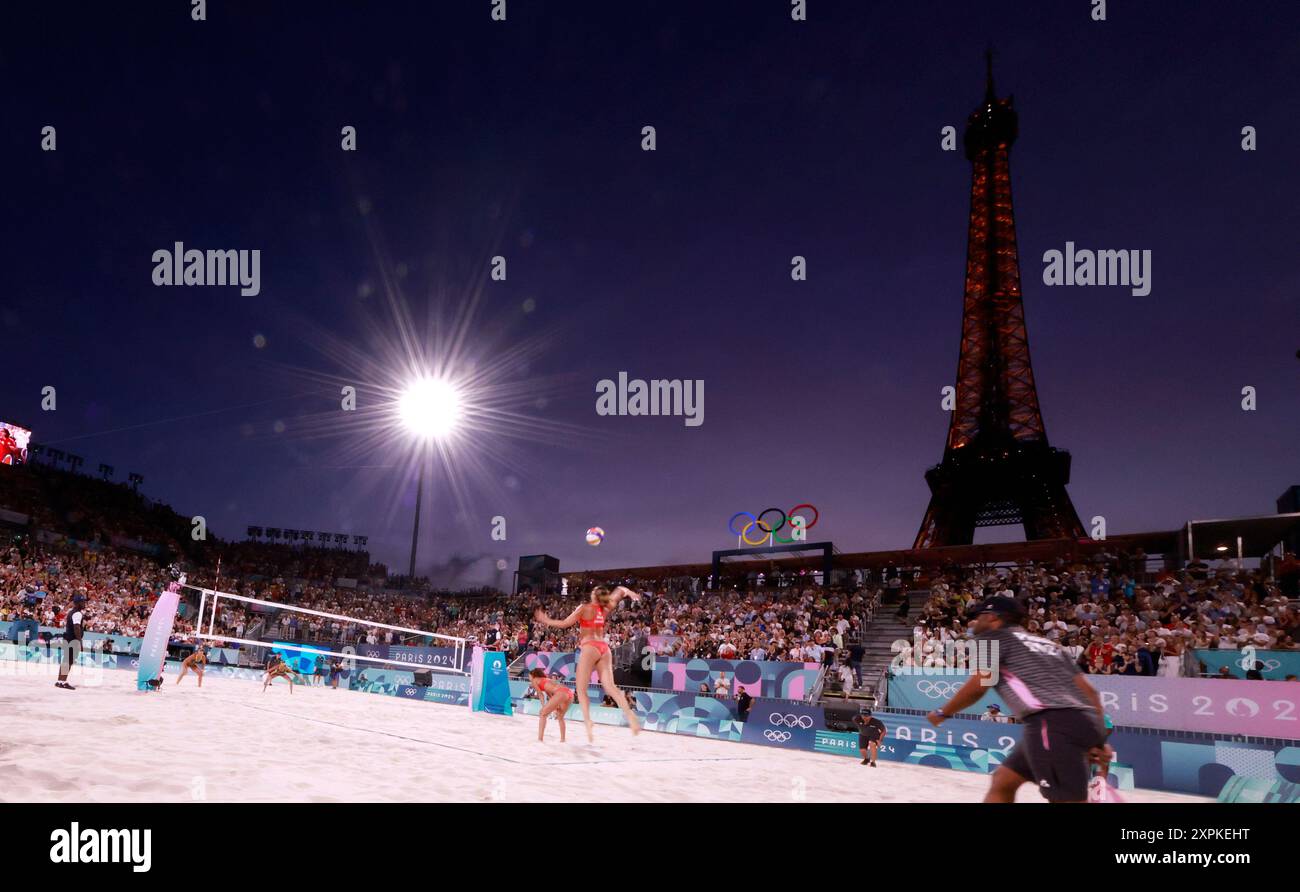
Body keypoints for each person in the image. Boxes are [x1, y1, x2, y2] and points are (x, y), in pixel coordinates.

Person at [926, 597, 1111, 803]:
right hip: (1081, 720)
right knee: (1004, 779)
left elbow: (980, 684)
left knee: (1067, 800)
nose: (974, 622)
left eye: (979, 617)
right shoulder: (1049, 644)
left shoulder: (992, 638)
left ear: (993, 618)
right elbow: (1091, 692)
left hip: (1050, 722)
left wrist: (943, 712)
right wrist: (1099, 739)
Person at [534, 585, 641, 743]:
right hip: (604, 648)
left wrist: (546, 619)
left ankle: (588, 721)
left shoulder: (584, 608)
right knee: (610, 687)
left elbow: (564, 623)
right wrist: (631, 593)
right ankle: (629, 713)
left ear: (593, 596)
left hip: (590, 646)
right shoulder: (606, 607)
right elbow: (620, 590)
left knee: (581, 689)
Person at [528, 668, 573, 743]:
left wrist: (543, 707)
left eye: (529, 676)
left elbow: (540, 694)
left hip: (560, 693)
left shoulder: (534, 680)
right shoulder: (546, 679)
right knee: (560, 717)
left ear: (533, 675)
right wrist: (555, 705)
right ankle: (563, 740)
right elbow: (551, 696)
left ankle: (540, 739)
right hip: (569, 693)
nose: (529, 678)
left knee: (542, 714)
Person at [55, 594, 86, 691]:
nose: (84, 603)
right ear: (78, 603)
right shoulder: (77, 613)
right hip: (73, 640)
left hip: (68, 638)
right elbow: (76, 628)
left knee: (66, 661)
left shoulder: (71, 612)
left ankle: (60, 681)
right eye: (83, 602)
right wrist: (79, 642)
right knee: (69, 661)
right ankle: (63, 682)